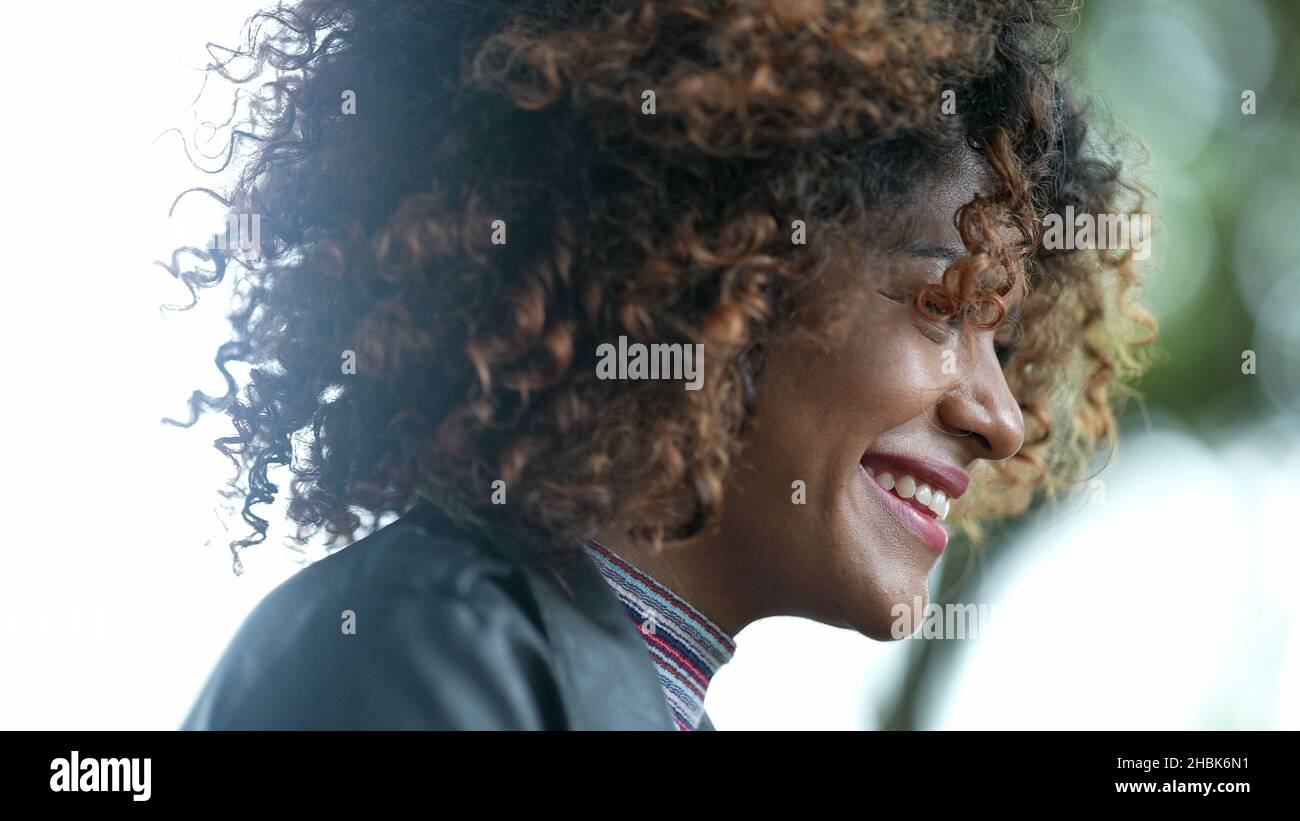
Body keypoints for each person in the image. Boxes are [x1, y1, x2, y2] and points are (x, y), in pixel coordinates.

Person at [174, 0, 1155, 730]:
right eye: (944, 306)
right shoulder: (420, 649)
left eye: (1003, 340)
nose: (1003, 417)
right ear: (715, 265)